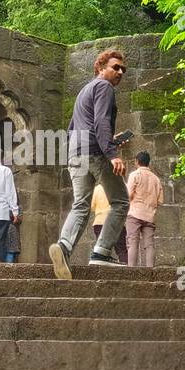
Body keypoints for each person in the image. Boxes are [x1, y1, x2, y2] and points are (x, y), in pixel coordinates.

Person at [48, 49, 129, 279]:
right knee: (121, 201)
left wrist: (107, 142)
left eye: (123, 69)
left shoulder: (83, 91)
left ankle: (63, 247)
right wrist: (112, 153)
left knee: (81, 205)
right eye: (115, 67)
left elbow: (74, 128)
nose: (120, 72)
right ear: (100, 68)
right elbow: (101, 121)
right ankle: (101, 253)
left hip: (76, 153)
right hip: (95, 153)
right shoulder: (104, 87)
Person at [125, 151, 164, 267]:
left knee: (132, 242)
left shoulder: (134, 175)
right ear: (148, 163)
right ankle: (150, 271)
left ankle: (131, 270)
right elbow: (160, 200)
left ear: (137, 161)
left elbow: (129, 194)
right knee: (149, 245)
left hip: (134, 214)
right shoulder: (156, 179)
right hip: (149, 216)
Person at [91, 183, 128, 264]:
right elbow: (127, 202)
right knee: (121, 250)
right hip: (117, 221)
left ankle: (101, 272)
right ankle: (126, 270)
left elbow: (92, 206)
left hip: (100, 221)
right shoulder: (121, 186)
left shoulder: (97, 188)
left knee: (101, 251)